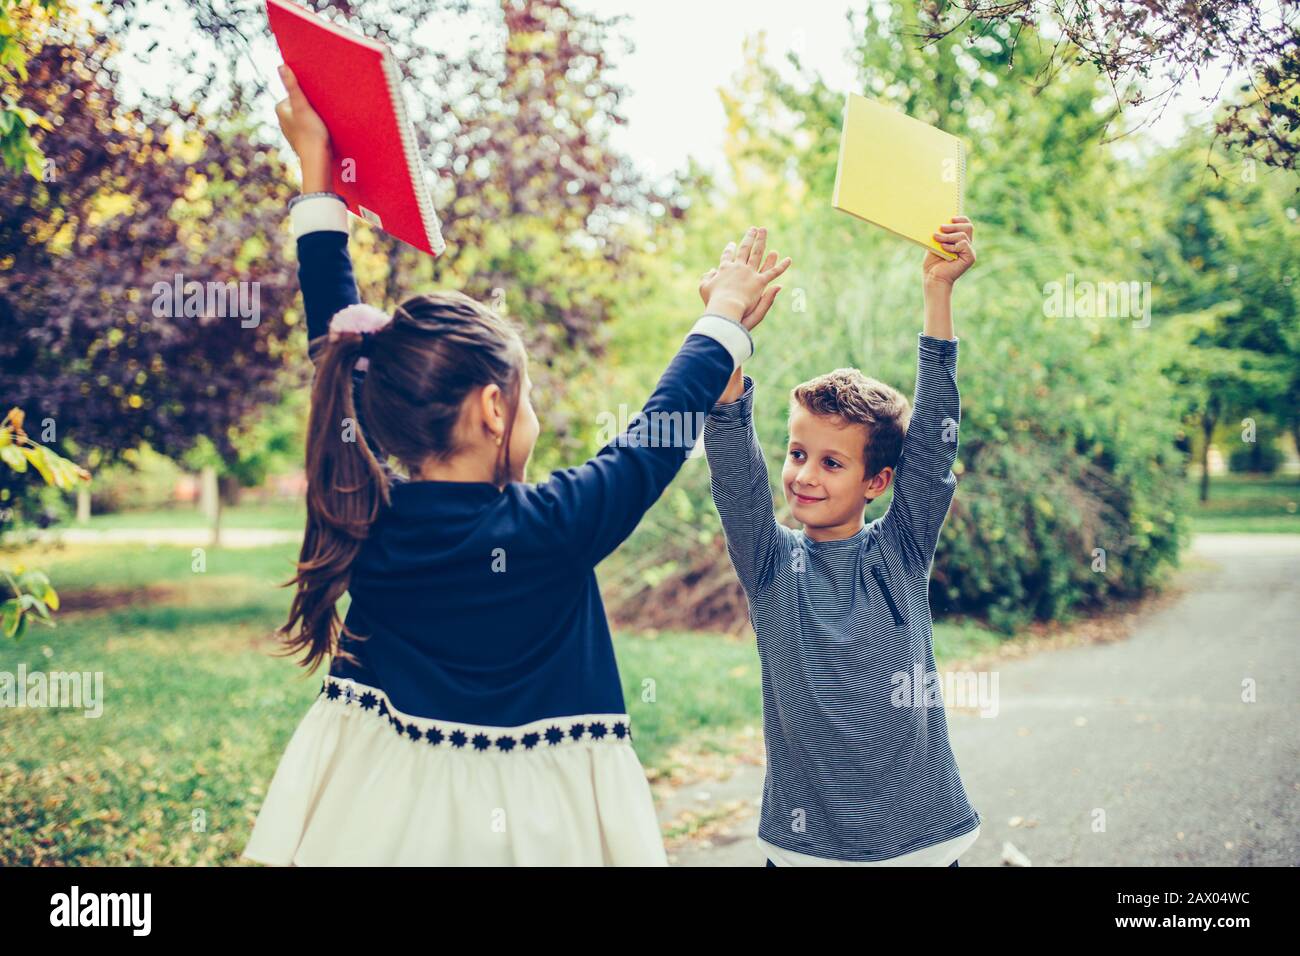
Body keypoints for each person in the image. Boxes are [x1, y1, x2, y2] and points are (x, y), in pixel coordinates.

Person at [242, 66, 790, 866]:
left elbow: (334, 343)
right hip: (536, 829)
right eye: (525, 396)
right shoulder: (554, 528)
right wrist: (723, 317)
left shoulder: (367, 516)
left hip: (384, 814)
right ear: (495, 411)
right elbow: (656, 435)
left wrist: (316, 175)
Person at [701, 218, 981, 866]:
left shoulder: (901, 551)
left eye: (832, 463)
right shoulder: (770, 564)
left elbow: (934, 443)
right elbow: (735, 469)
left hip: (923, 842)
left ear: (879, 481)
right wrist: (728, 329)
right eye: (798, 453)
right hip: (806, 849)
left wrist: (937, 290)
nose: (802, 474)